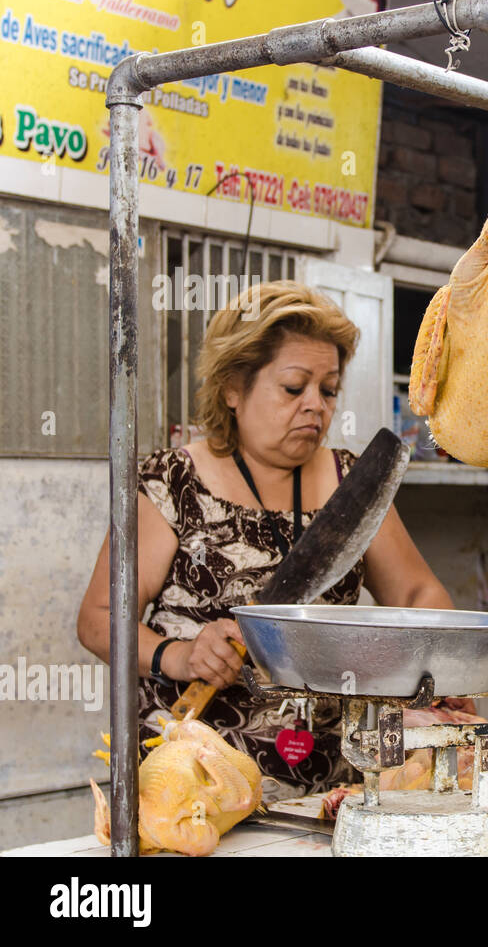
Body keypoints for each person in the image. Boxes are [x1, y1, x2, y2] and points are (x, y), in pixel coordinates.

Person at [78, 280, 452, 797]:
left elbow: (417, 594)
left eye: (328, 390)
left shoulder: (352, 486)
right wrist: (177, 655)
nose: (315, 407)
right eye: (294, 387)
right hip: (199, 786)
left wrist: (438, 671)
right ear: (233, 387)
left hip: (332, 790)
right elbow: (98, 620)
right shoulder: (170, 484)